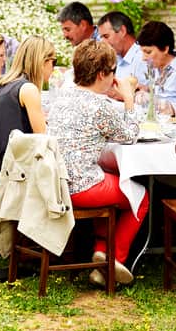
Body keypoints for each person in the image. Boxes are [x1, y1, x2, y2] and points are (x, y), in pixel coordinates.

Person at [47, 39, 148, 286]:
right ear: (103, 74)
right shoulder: (99, 106)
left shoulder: (63, 95)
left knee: (111, 182)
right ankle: (114, 261)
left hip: (56, 183)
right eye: (113, 71)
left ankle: (101, 253)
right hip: (81, 187)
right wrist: (129, 98)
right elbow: (130, 135)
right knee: (140, 196)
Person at [0, 35, 55, 187]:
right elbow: (43, 139)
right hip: (13, 176)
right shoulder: (28, 89)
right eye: (54, 62)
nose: (54, 68)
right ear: (42, 61)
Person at [136, 20, 176, 116]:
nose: (143, 58)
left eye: (148, 52)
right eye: (142, 52)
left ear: (165, 49)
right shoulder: (156, 68)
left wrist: (164, 105)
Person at [97, 10, 148, 82]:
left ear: (122, 31)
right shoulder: (116, 59)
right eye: (101, 38)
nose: (103, 42)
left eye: (106, 36)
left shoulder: (142, 58)